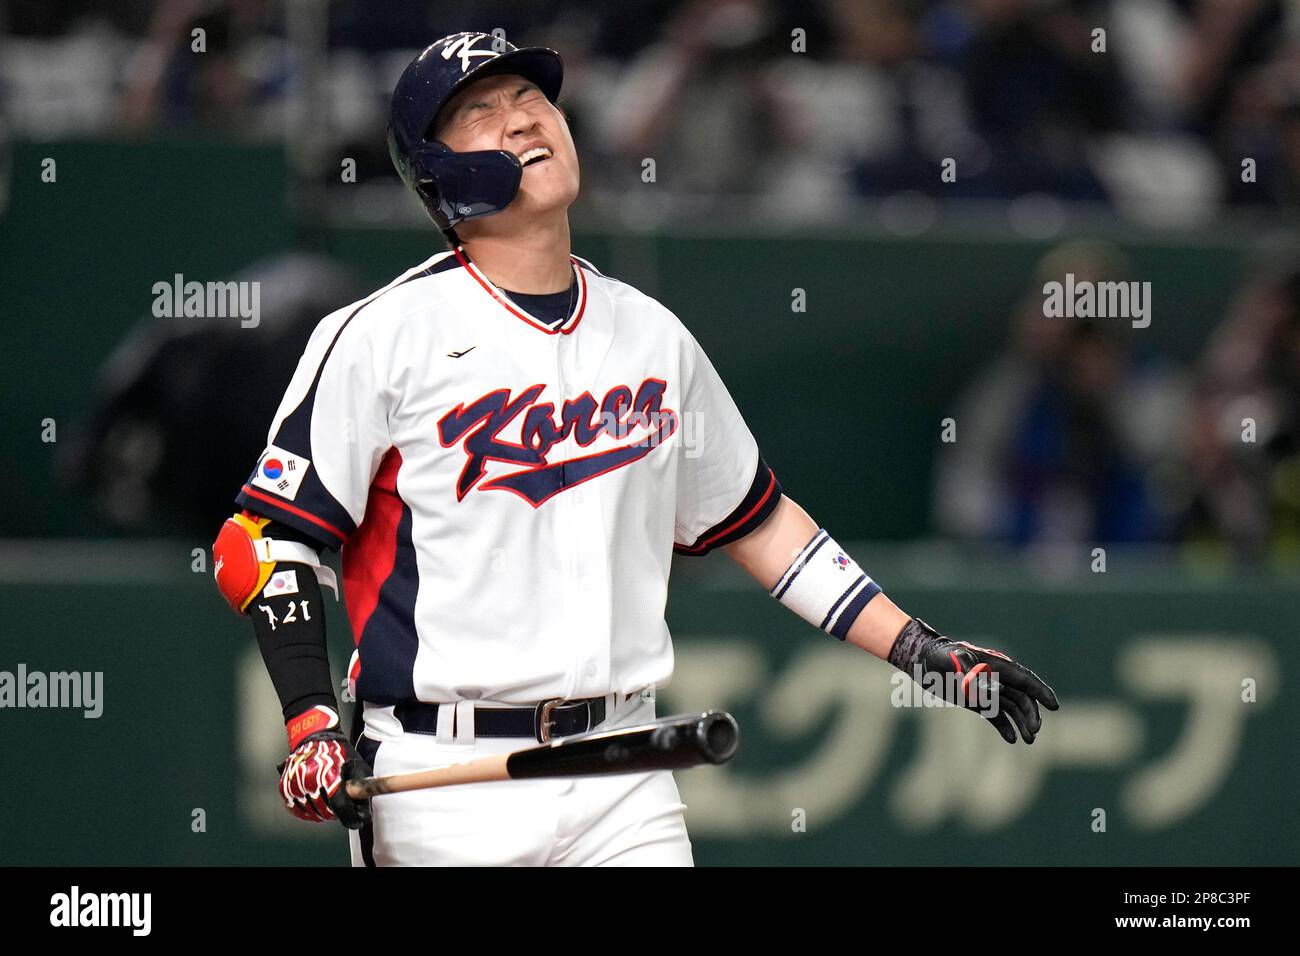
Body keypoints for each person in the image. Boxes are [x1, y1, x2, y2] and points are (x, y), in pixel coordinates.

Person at [212, 31, 1058, 867]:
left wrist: (915, 647)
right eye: (480, 111)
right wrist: (310, 721)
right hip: (442, 776)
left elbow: (759, 524)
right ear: (433, 168)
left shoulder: (651, 335)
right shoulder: (380, 336)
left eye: (531, 97)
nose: (521, 119)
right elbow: (261, 540)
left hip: (624, 766)